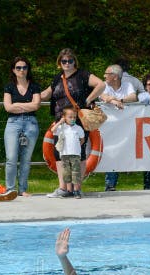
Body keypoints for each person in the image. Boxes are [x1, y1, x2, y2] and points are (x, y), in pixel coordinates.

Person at [40, 48, 105, 197]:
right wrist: (31, 96)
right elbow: (46, 94)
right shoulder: (57, 78)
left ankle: (76, 188)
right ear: (59, 63)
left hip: (78, 120)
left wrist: (87, 100)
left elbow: (101, 85)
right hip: (61, 121)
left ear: (74, 61)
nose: (67, 64)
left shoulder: (83, 75)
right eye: (64, 61)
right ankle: (63, 188)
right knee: (59, 152)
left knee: (79, 153)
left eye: (70, 61)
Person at [3, 56, 41, 197]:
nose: (21, 70)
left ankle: (23, 189)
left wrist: (17, 105)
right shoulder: (9, 87)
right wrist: (27, 106)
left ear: (28, 69)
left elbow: (36, 105)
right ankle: (10, 189)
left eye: (24, 67)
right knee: (11, 157)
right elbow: (8, 107)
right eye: (18, 67)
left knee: (26, 158)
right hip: (13, 123)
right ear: (13, 70)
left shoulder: (35, 86)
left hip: (31, 123)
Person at [99, 64, 137, 192]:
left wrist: (120, 99)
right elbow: (102, 96)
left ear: (115, 76)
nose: (104, 76)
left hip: (126, 126)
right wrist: (113, 101)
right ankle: (110, 184)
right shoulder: (104, 85)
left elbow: (133, 97)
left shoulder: (127, 85)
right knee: (111, 151)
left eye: (106, 73)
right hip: (109, 127)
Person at [50, 105, 85, 199]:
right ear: (64, 117)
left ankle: (76, 191)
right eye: (70, 117)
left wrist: (76, 147)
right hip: (64, 155)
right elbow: (53, 130)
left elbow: (82, 140)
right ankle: (69, 190)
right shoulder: (62, 127)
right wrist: (60, 122)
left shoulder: (78, 128)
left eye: (74, 117)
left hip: (75, 155)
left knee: (76, 173)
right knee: (67, 173)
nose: (73, 119)